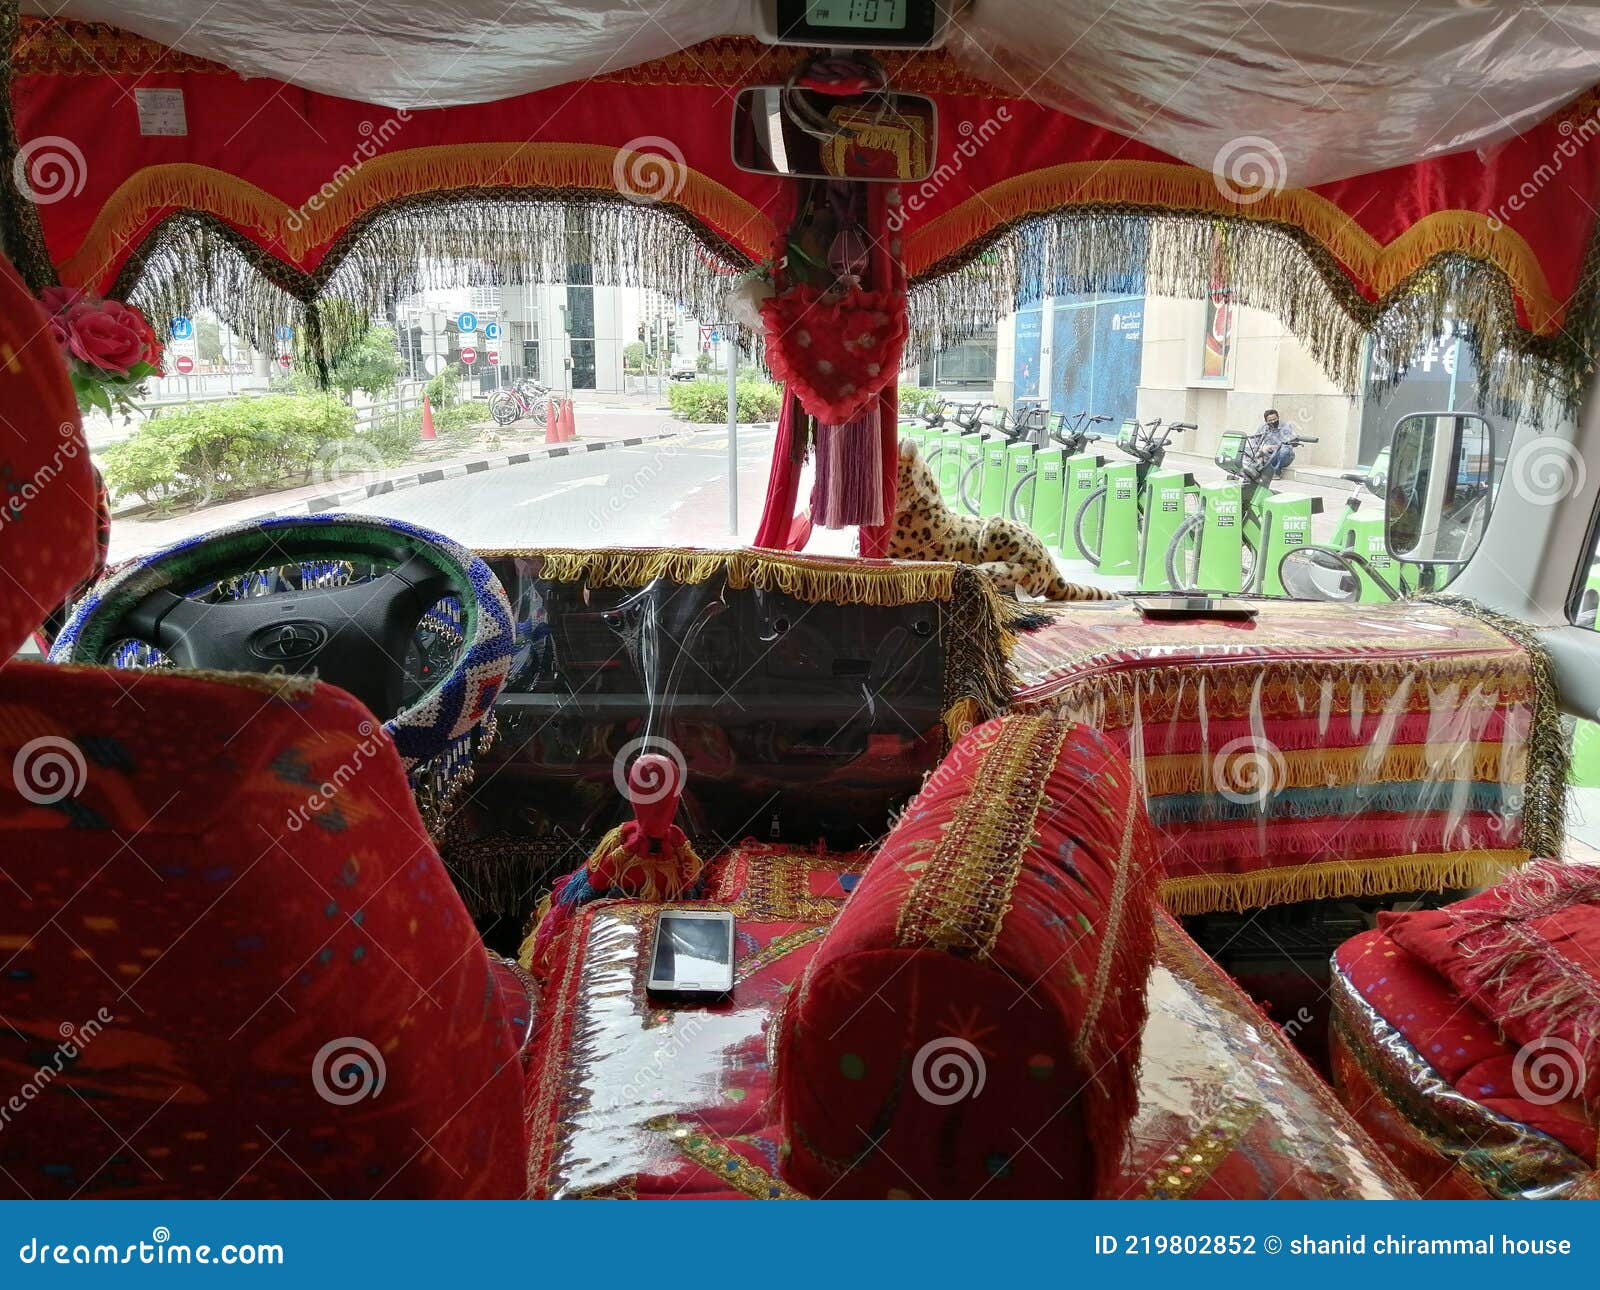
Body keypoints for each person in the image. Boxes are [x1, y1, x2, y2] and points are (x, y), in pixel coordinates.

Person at [1251, 408, 1297, 481]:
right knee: (1255, 453)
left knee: (1284, 450)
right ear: (1266, 421)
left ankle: (1276, 472)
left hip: (1283, 456)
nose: (1273, 421)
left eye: (1275, 419)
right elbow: (1253, 441)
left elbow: (1289, 443)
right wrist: (1263, 448)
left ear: (1278, 417)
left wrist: (1275, 447)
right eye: (1270, 420)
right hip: (1269, 455)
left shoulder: (1285, 427)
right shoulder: (1263, 427)